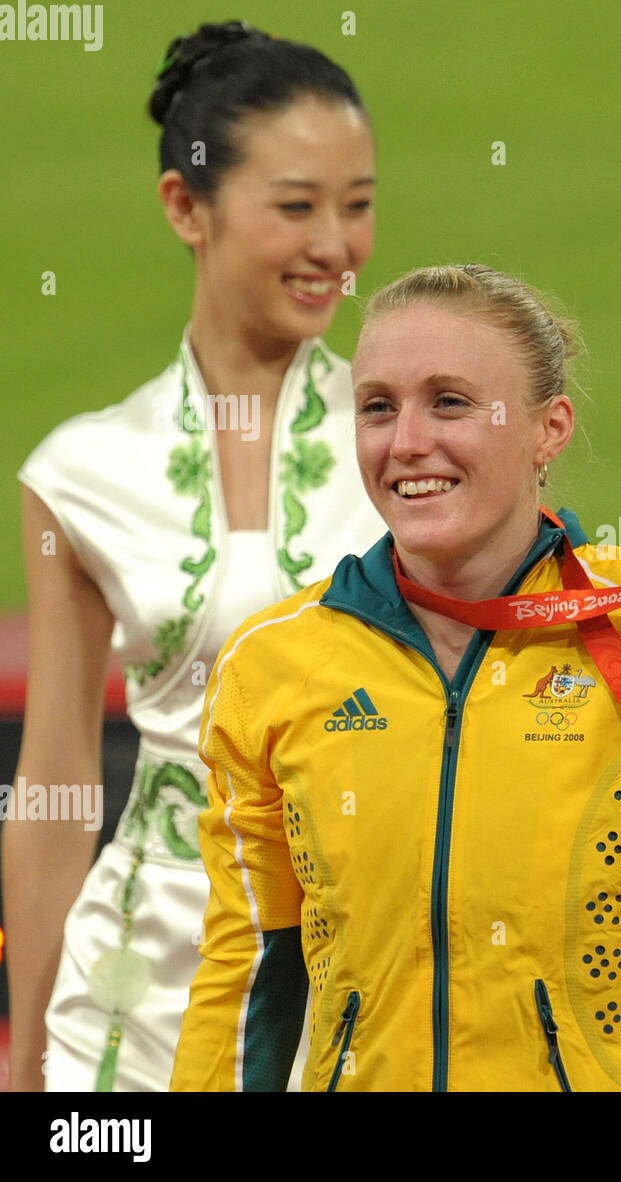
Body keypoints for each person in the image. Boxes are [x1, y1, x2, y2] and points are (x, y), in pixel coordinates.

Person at [168, 263, 621, 1092]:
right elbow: (249, 971)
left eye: (450, 402)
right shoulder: (274, 663)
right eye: (378, 406)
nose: (406, 442)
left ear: (550, 429)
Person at [5, 21, 381, 1092]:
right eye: (297, 205)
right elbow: (58, 783)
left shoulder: (413, 444)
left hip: (358, 987)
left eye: (357, 205)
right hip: (127, 1009)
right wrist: (28, 1062)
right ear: (187, 206)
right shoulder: (79, 472)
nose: (337, 247)